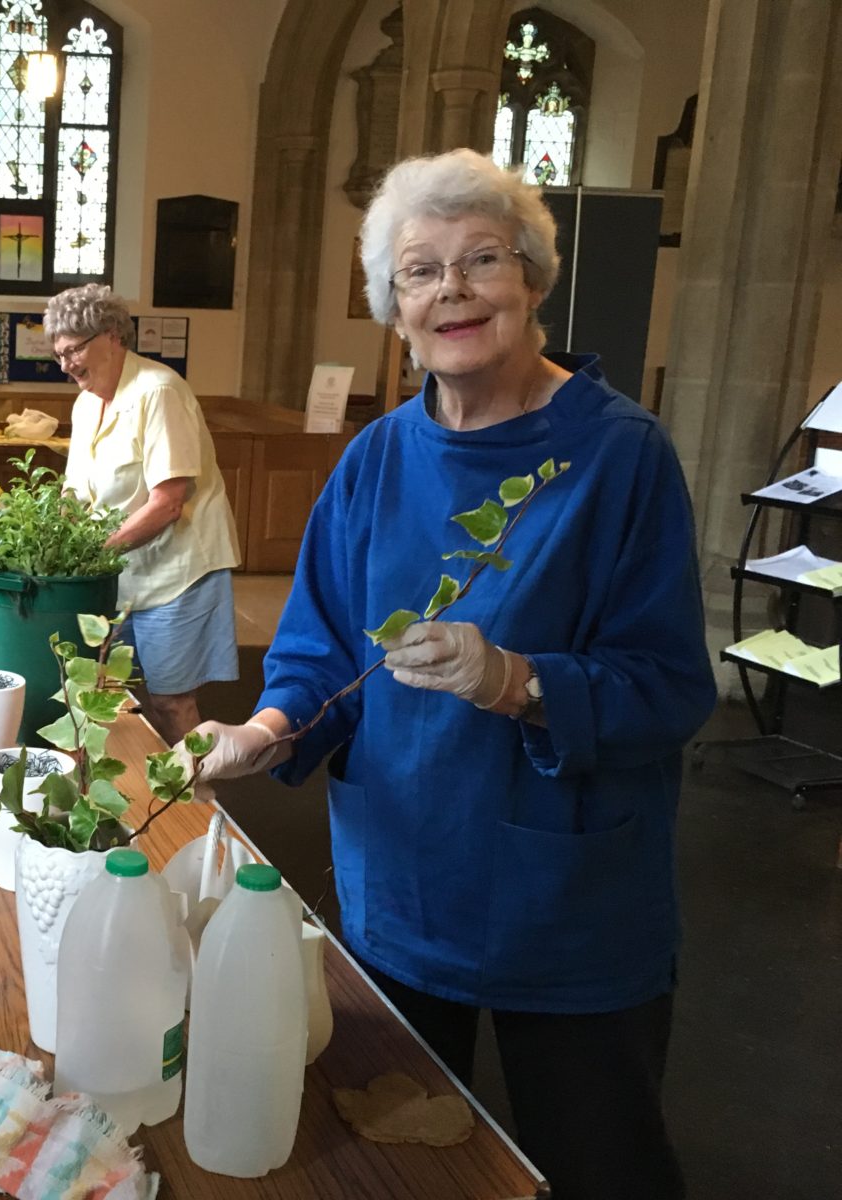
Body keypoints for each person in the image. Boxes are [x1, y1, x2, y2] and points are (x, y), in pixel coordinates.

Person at [184, 149, 716, 1200]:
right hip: (402, 882)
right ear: (394, 309)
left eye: (482, 259)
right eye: (420, 271)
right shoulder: (376, 460)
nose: (453, 290)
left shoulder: (620, 455)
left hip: (565, 902)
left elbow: (667, 687)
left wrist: (518, 681)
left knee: (599, 1162)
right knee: (398, 1153)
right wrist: (265, 729)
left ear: (532, 280)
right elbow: (319, 650)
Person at [45, 284, 242, 747]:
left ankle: (197, 785)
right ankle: (143, 784)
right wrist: (56, 539)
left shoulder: (159, 391)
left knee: (171, 700)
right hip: (121, 571)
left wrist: (93, 556)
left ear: (113, 336)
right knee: (116, 695)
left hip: (177, 571)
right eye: (59, 355)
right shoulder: (86, 404)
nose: (66, 365)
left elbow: (168, 502)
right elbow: (74, 491)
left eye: (74, 350)